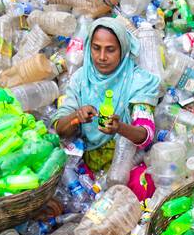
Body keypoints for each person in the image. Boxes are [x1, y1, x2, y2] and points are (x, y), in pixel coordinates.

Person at [52, 17, 159, 180]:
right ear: (89, 47)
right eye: (96, 48)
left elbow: (146, 135)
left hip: (127, 166)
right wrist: (76, 116)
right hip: (85, 166)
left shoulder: (139, 81)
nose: (102, 57)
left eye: (110, 50)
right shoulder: (80, 79)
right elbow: (59, 129)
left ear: (122, 50)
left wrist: (120, 128)